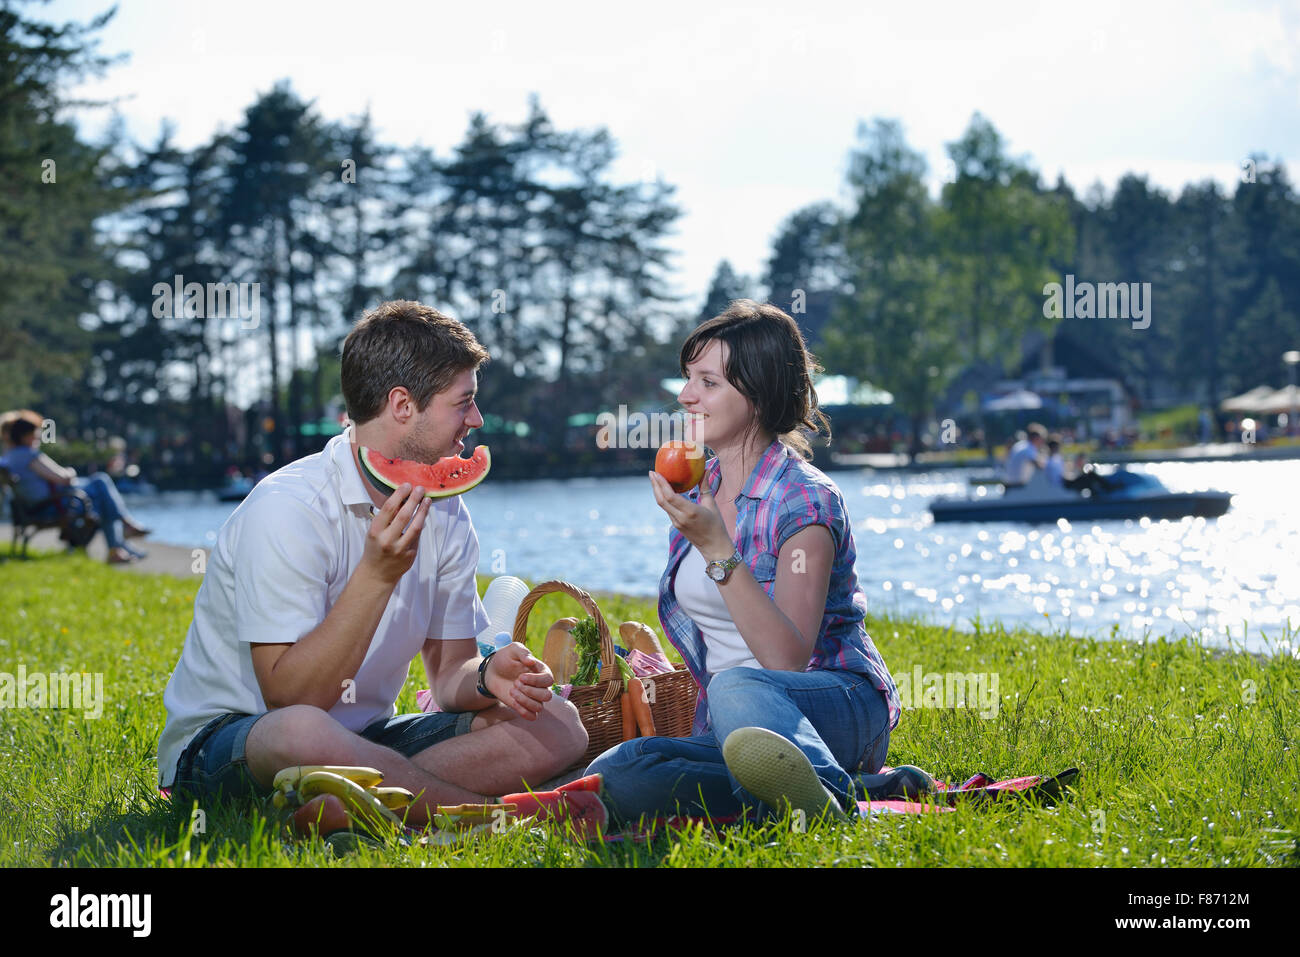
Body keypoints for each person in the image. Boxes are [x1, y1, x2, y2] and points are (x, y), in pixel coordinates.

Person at [156, 300, 593, 832]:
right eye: (464, 402)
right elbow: (291, 698)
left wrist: (486, 675)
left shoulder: (447, 510)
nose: (476, 420)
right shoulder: (288, 507)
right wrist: (377, 575)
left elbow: (449, 674)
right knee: (300, 732)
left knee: (559, 725)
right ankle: (478, 816)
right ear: (403, 405)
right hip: (233, 741)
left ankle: (341, 806)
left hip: (366, 737)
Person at [585, 300, 901, 823]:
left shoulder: (803, 500)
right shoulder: (699, 486)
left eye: (708, 383)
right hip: (730, 728)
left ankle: (836, 800)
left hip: (830, 702)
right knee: (622, 771)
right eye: (689, 379)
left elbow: (786, 660)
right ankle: (826, 791)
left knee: (738, 685)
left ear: (757, 394)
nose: (686, 395)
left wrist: (717, 550)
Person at [0, 411, 150, 564]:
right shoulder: (29, 455)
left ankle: (118, 545)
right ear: (26, 435)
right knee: (100, 482)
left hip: (37, 507)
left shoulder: (9, 457)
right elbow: (64, 479)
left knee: (100, 494)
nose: (39, 436)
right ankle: (123, 530)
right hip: (52, 507)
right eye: (36, 432)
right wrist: (71, 471)